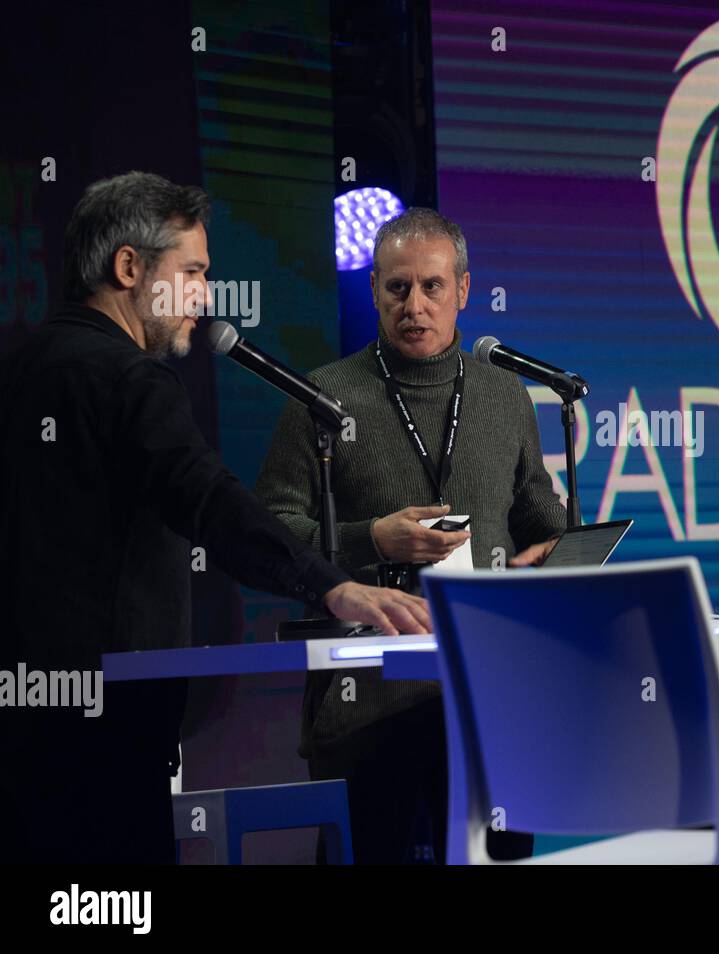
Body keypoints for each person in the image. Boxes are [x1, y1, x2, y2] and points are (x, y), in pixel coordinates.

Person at [0, 172, 429, 864]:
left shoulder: (18, 372)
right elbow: (209, 500)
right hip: (104, 749)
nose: (205, 294)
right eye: (193, 271)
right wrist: (330, 584)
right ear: (129, 267)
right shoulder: (131, 380)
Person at [255, 207, 566, 863]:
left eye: (431, 287)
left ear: (463, 290)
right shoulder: (323, 398)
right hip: (366, 700)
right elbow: (273, 533)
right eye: (397, 288)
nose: (414, 305)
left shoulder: (505, 394)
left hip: (490, 694)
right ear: (373, 291)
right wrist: (375, 539)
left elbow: (539, 514)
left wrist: (558, 549)